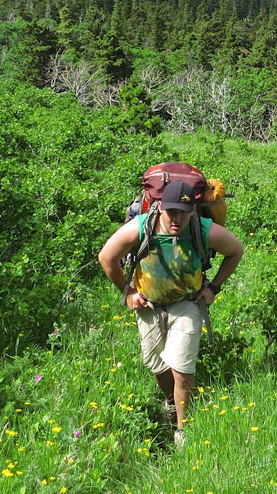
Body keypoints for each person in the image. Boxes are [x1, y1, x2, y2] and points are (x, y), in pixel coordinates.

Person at [98, 179, 243, 446]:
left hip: (188, 304)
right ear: (160, 208)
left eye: (183, 213)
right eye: (171, 212)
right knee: (156, 364)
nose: (176, 219)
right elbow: (106, 257)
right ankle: (170, 402)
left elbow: (236, 251)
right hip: (149, 306)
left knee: (182, 370)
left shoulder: (202, 229)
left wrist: (214, 288)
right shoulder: (141, 227)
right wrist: (128, 292)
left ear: (192, 211)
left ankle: (182, 430)